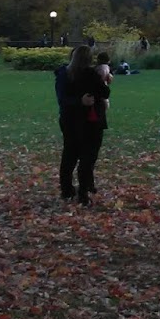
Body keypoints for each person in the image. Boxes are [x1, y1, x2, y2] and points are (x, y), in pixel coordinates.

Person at [55, 44, 109, 205]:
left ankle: (67, 189)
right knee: (87, 157)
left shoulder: (63, 75)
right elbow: (105, 92)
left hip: (70, 120)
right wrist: (82, 101)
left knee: (70, 154)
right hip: (90, 121)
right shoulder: (91, 75)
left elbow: (62, 99)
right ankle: (83, 191)